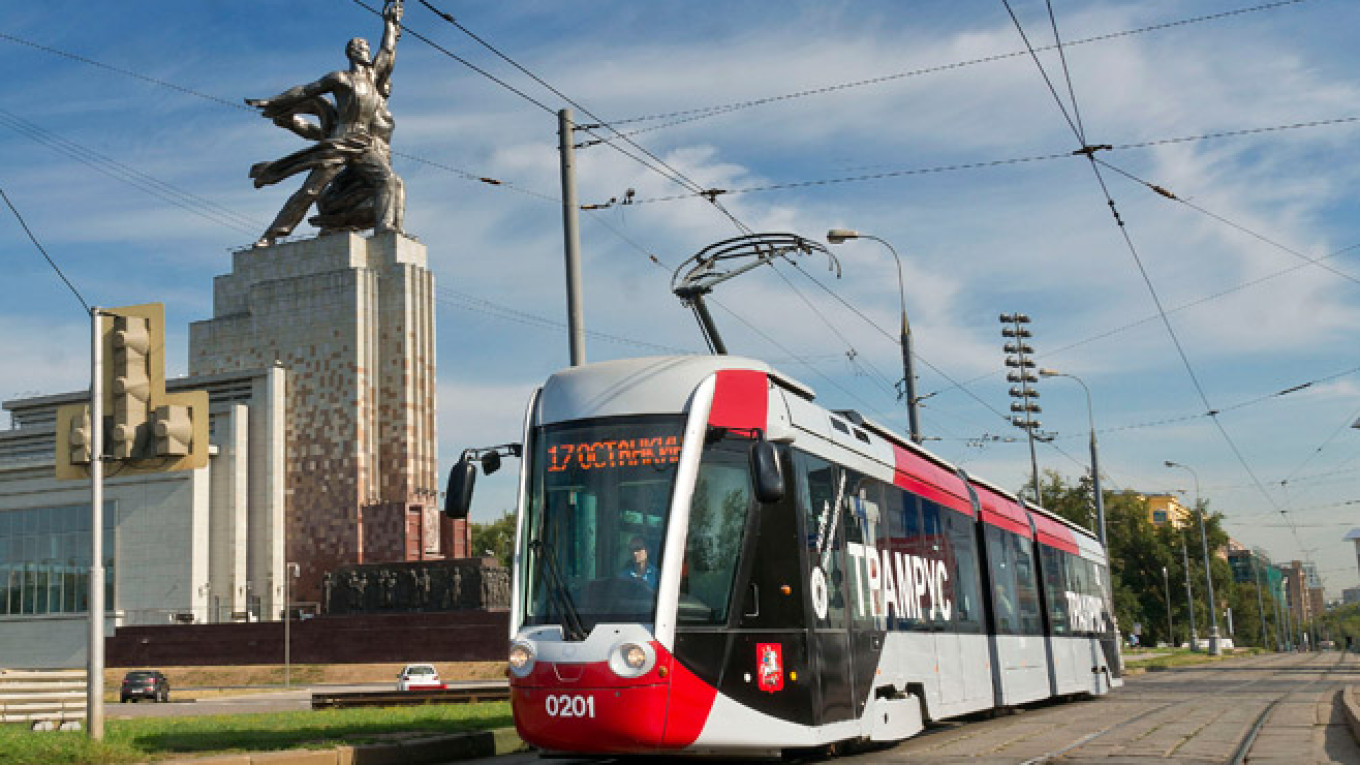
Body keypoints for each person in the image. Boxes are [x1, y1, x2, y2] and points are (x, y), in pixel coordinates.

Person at [246, 0, 405, 247]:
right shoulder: (340, 78)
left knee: (387, 179)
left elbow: (387, 51)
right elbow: (305, 91)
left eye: (366, 45)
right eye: (358, 45)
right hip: (341, 141)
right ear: (350, 53)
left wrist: (390, 23)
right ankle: (271, 235)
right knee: (310, 191)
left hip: (364, 144)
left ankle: (385, 229)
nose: (364, 47)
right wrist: (273, 102)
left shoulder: (373, 79)